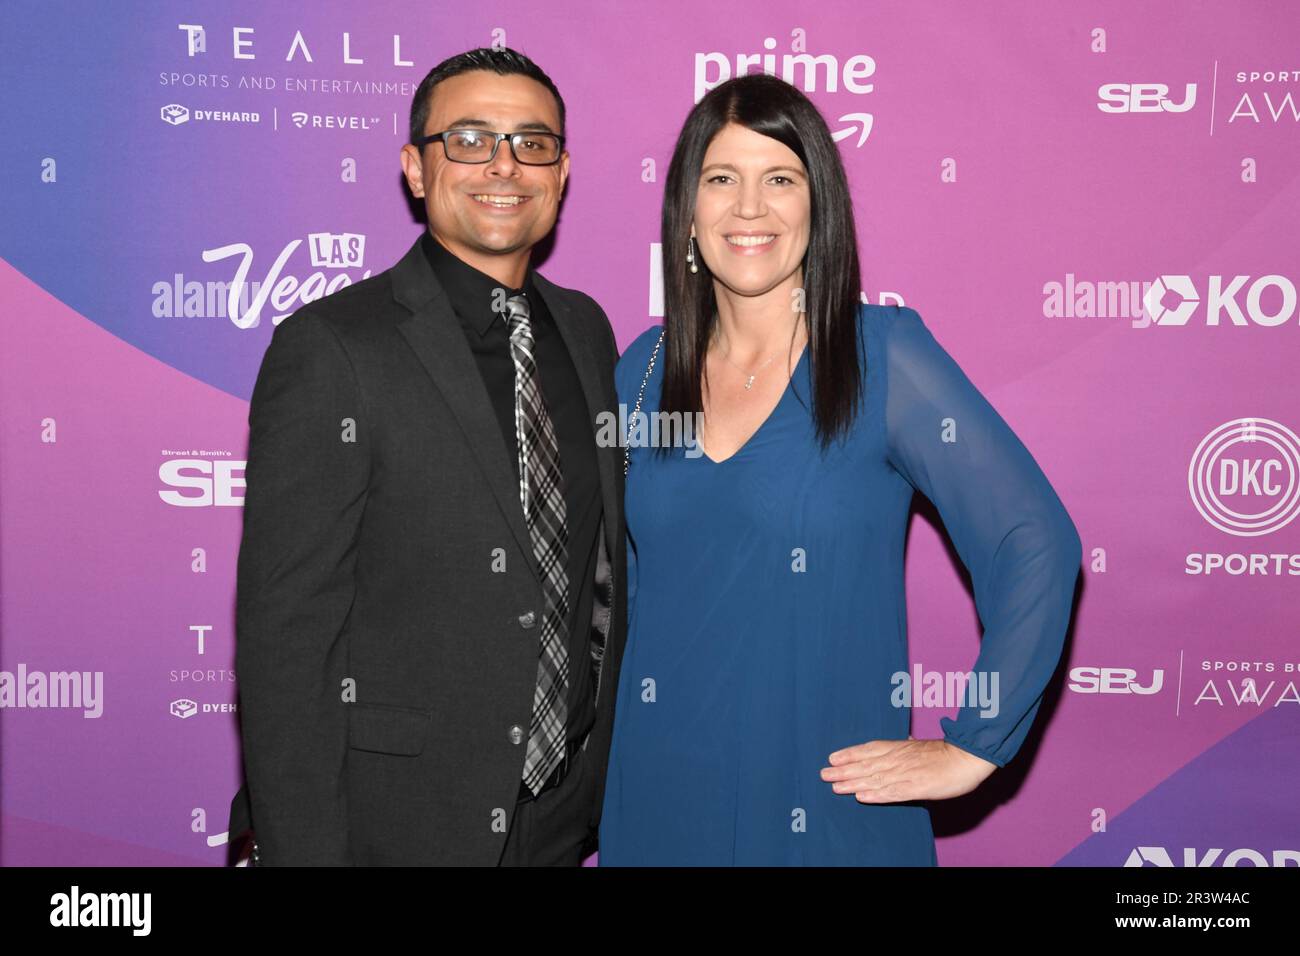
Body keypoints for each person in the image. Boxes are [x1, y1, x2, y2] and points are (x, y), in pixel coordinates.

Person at [598, 74, 1083, 866]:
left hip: (826, 804)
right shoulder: (642, 373)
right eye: (721, 179)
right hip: (658, 797)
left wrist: (975, 746)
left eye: (780, 179)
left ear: (818, 206)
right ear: (686, 210)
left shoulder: (881, 357)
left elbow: (1034, 540)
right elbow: (627, 595)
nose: (749, 208)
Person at [227, 47, 627, 866]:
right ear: (416, 168)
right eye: (470, 139)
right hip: (396, 823)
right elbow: (287, 637)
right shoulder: (333, 348)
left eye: (532, 143)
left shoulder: (586, 332)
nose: (505, 165)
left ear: (562, 173)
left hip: (561, 821)